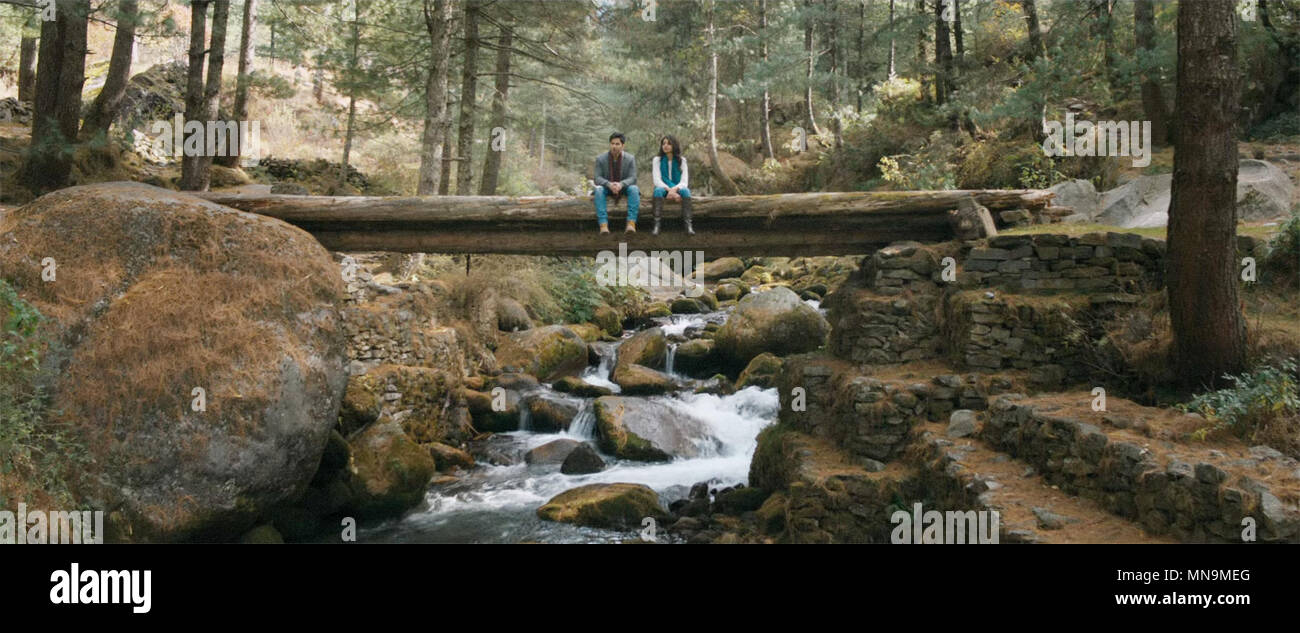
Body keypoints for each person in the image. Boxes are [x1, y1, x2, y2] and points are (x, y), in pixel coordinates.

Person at [592, 132, 640, 233]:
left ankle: (631, 223)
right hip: (606, 187)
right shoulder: (601, 159)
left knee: (634, 189)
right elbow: (597, 178)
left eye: (617, 144)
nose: (614, 146)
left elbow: (633, 177)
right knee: (598, 190)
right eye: (612, 143)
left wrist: (621, 184)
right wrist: (609, 184)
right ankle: (603, 225)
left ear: (623, 145)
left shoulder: (630, 159)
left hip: (624, 187)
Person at [650, 135, 693, 235]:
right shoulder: (657, 160)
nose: (665, 146)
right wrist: (670, 191)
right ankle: (657, 225)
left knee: (686, 191)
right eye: (663, 143)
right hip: (663, 187)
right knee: (657, 191)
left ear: (674, 145)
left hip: (678, 187)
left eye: (669, 143)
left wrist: (674, 190)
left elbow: (684, 182)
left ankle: (688, 225)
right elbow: (657, 180)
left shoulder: (682, 160)